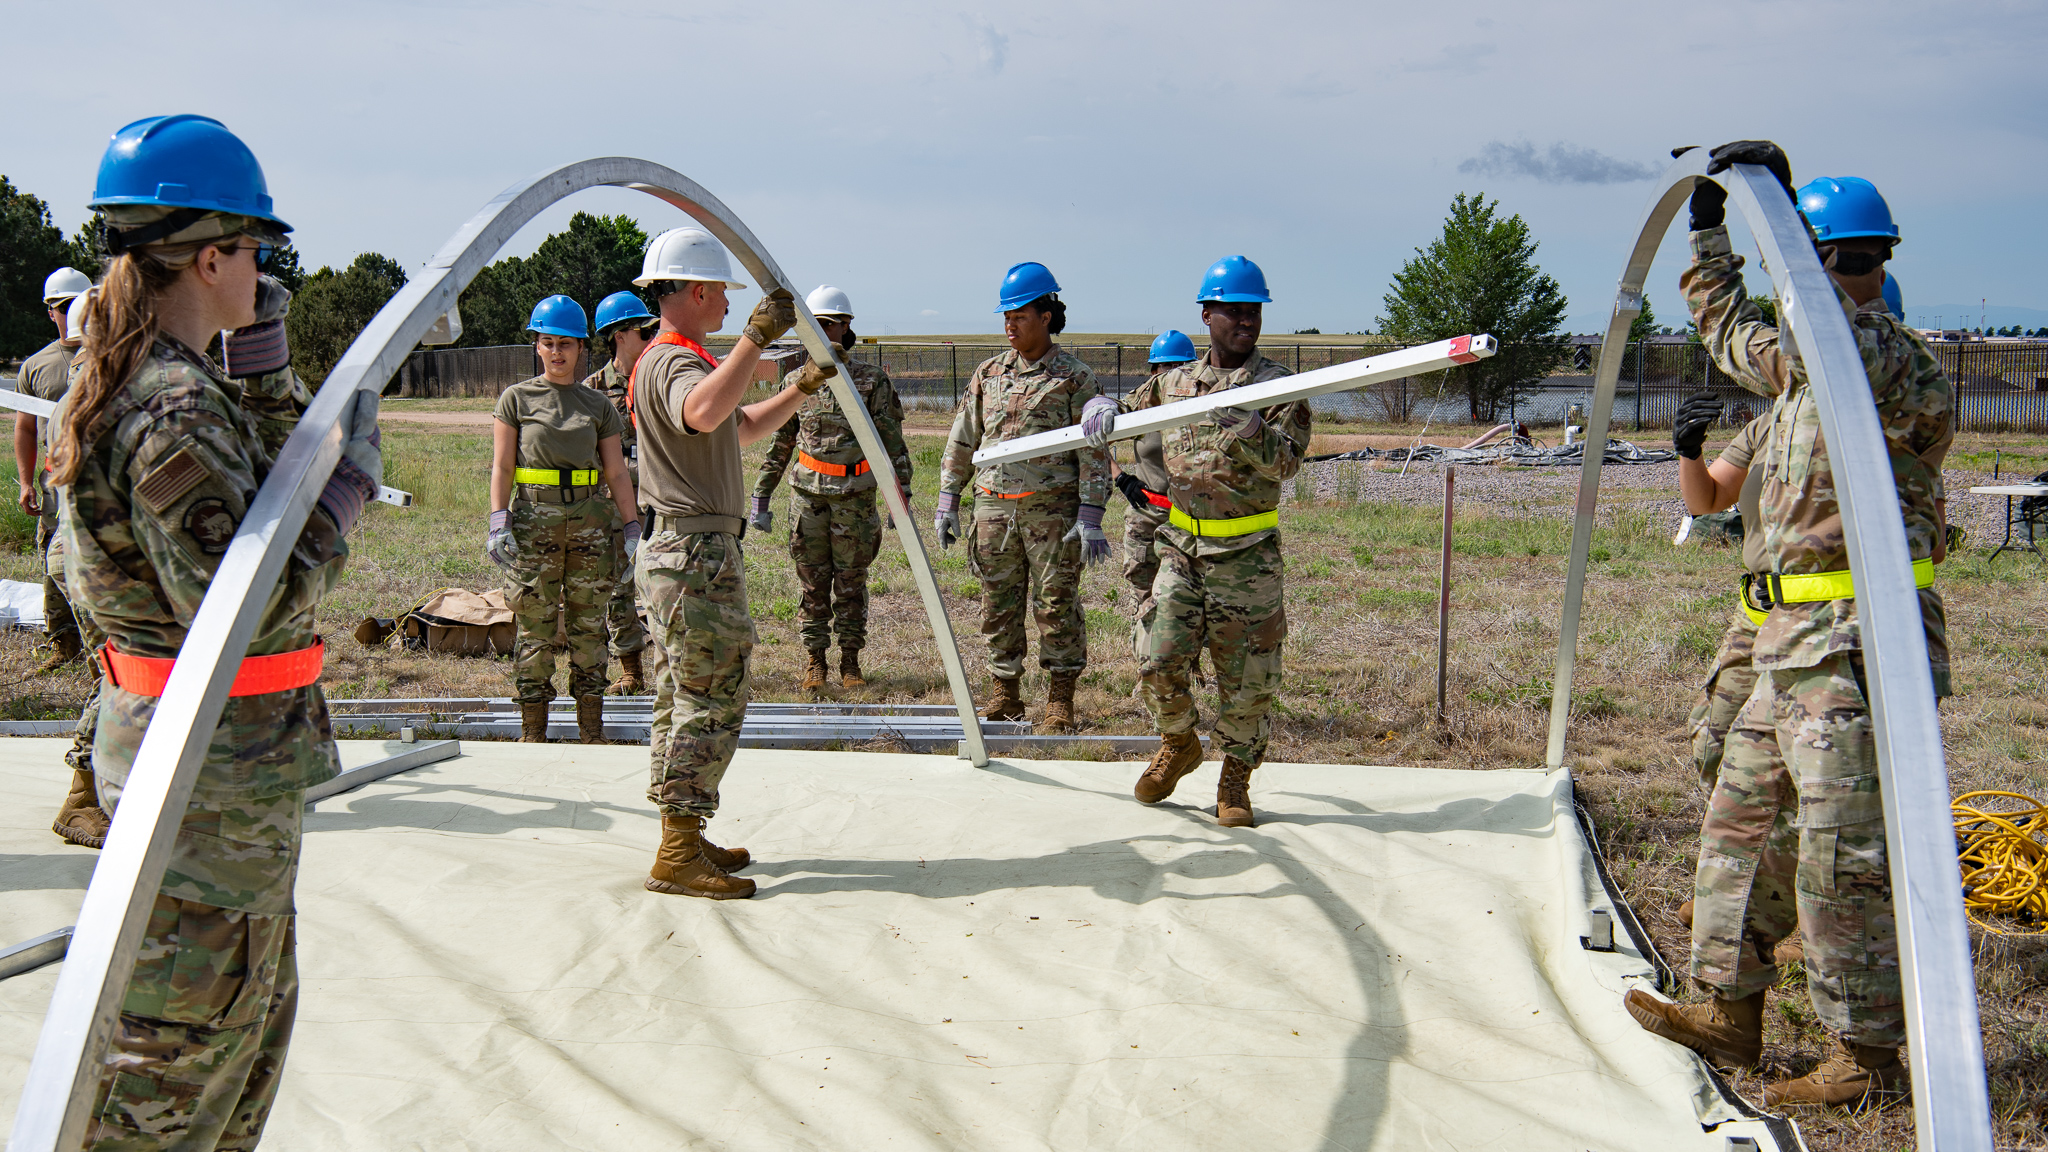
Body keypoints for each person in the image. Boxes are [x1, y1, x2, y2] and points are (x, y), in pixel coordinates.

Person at [54, 112, 381, 1147]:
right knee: (173, 1082)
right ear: (209, 256)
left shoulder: (183, 387)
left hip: (220, 793)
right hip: (202, 798)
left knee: (234, 1052)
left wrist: (272, 374)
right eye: (256, 252)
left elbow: (245, 503)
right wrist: (343, 500)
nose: (265, 271)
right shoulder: (169, 412)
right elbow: (246, 600)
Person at [1623, 144, 1953, 1108]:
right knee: (1737, 826)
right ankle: (1727, 1012)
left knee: (1838, 855)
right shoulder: (1807, 387)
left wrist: (1740, 238)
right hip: (1785, 647)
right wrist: (1712, 229)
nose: (1819, 283)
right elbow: (1733, 347)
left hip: (1859, 644)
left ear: (1853, 264)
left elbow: (1756, 334)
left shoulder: (1883, 361)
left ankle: (1864, 1058)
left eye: (1822, 263)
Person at [631, 227, 834, 900]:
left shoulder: (681, 360)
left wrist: (801, 388)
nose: (726, 307)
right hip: (693, 554)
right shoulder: (671, 363)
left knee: (682, 696)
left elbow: (737, 426)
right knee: (709, 697)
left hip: (685, 552)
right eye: (722, 294)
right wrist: (754, 341)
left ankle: (680, 831)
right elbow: (702, 410)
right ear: (696, 290)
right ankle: (678, 848)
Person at [1084, 255, 1312, 827]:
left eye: (1253, 310)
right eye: (1232, 311)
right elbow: (1132, 411)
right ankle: (1179, 743)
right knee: (1157, 657)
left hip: (1248, 557)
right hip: (1180, 548)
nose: (1245, 320)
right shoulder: (1177, 382)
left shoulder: (1281, 387)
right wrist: (1104, 406)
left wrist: (1254, 430)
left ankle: (1235, 776)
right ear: (1206, 315)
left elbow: (1288, 465)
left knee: (1248, 679)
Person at [935, 262, 1111, 731]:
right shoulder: (989, 373)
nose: (1010, 326)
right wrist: (948, 500)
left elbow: (1094, 451)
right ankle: (1005, 692)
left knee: (1056, 604)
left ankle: (1060, 699)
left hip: (1051, 511)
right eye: (1006, 318)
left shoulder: (1074, 378)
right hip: (993, 506)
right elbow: (962, 437)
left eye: (1020, 316)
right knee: (999, 602)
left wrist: (1091, 513)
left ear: (1047, 315)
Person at [1668, 400, 1805, 971]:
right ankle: (1732, 891)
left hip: (1821, 628)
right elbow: (1706, 501)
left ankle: (1788, 910)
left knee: (1798, 779)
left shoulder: (1869, 420)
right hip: (1756, 616)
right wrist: (1689, 451)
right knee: (1714, 746)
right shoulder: (1767, 426)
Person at [487, 295, 641, 744]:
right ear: (537, 345)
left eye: (567, 344)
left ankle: (591, 731)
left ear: (580, 349)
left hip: (591, 526)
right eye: (548, 342)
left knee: (589, 628)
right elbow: (501, 466)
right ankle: (533, 730)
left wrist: (631, 527)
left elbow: (615, 471)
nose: (557, 352)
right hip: (535, 523)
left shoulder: (597, 405)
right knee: (534, 629)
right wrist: (499, 519)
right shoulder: (516, 399)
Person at [750, 285, 912, 691]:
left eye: (828, 324)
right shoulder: (795, 381)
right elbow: (780, 442)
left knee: (852, 583)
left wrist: (901, 496)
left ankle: (851, 662)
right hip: (808, 500)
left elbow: (893, 442)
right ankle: (815, 661)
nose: (820, 333)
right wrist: (762, 495)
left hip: (854, 500)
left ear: (846, 328)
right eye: (813, 326)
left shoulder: (872, 381)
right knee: (812, 584)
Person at [584, 289, 659, 695]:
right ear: (618, 335)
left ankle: (675, 666)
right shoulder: (592, 391)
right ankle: (631, 670)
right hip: (613, 503)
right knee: (618, 586)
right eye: (641, 330)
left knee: (668, 581)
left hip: (662, 495)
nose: (650, 336)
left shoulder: (661, 377)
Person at [17, 266, 90, 674]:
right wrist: (27, 483)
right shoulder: (37, 366)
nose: (69, 313)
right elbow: (27, 426)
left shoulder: (109, 358)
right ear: (49, 311)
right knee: (54, 562)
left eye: (76, 305)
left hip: (96, 486)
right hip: (53, 485)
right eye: (62, 307)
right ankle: (62, 644)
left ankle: (102, 648)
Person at [1115, 330, 1197, 634]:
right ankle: (1148, 666)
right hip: (1147, 515)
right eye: (1166, 367)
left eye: (1182, 367)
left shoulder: (1198, 408)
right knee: (1146, 598)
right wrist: (1120, 478)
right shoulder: (1140, 406)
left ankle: (1192, 668)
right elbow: (1096, 437)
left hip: (1188, 520)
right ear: (1153, 371)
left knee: (1186, 600)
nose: (1173, 375)